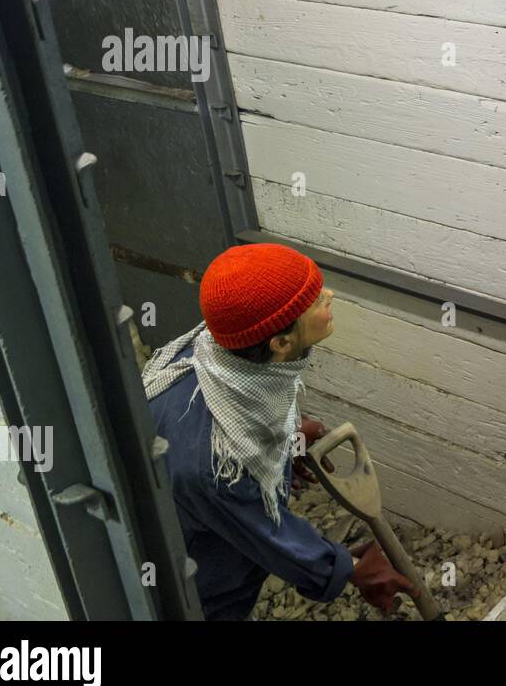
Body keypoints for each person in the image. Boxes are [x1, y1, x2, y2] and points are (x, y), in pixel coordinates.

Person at [142, 242, 418, 619]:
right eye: (317, 300)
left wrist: (282, 442)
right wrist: (350, 570)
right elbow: (267, 537)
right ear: (282, 343)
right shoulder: (218, 466)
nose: (329, 296)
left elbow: (254, 410)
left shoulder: (223, 349)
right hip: (193, 579)